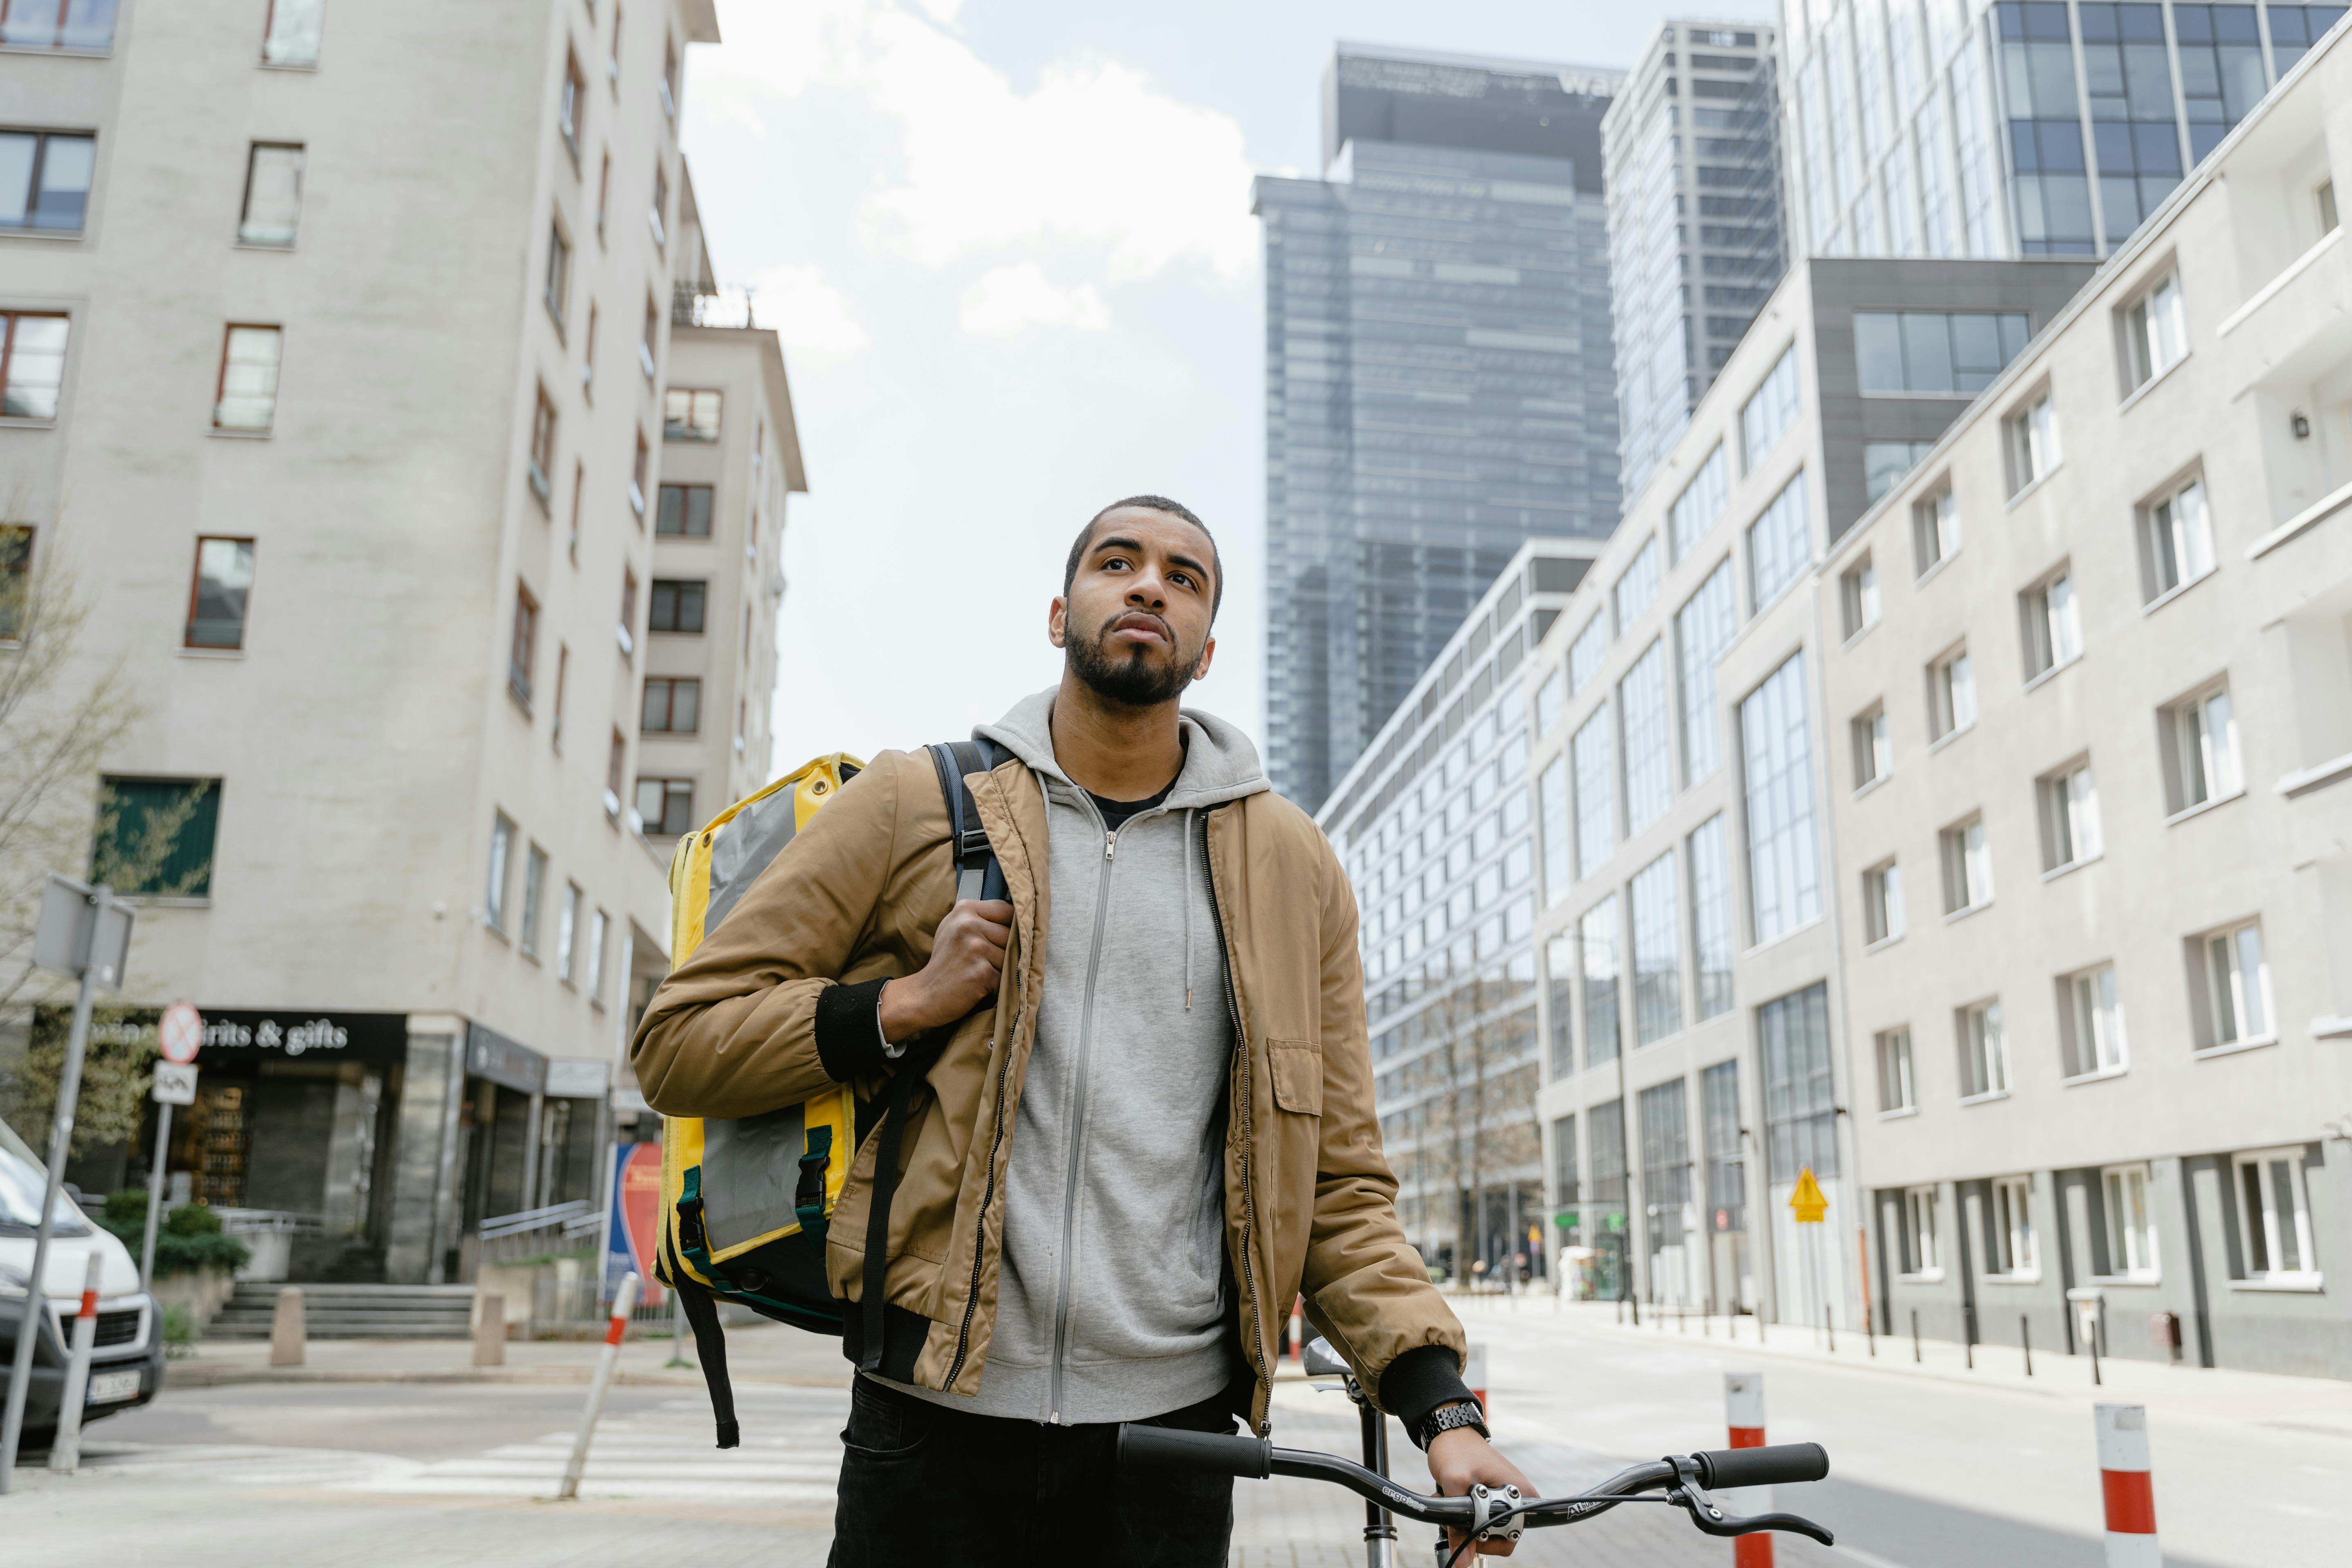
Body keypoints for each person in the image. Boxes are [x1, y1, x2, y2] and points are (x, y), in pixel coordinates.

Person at [632, 496, 1531, 1565]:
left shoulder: (1292, 866)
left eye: (1185, 577)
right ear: (1060, 613)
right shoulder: (915, 801)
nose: (1150, 585)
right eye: (1120, 562)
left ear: (1206, 653)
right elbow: (679, 1038)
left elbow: (1336, 1178)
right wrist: (897, 1005)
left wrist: (1445, 1410)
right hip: (928, 1425)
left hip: (1171, 1448)